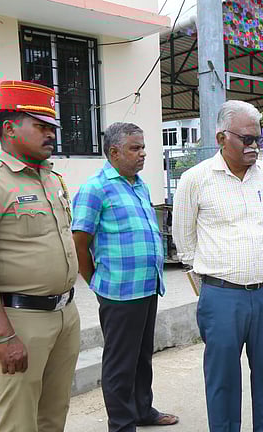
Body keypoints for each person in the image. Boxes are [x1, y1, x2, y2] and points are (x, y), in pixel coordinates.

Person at [0, 80, 80, 432]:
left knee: (54, 413)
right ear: (9, 128)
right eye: (40, 126)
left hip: (64, 314)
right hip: (21, 320)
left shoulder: (51, 178)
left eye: (51, 127)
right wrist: (4, 335)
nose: (50, 134)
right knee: (20, 421)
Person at [171, 100, 263, 431]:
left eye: (258, 140)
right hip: (221, 297)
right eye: (247, 140)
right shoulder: (196, 179)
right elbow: (185, 243)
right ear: (222, 138)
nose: (254, 147)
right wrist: (208, 285)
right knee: (222, 380)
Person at [71, 122, 179, 430]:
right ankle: (121, 424)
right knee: (120, 363)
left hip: (146, 287)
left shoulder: (139, 184)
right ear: (114, 152)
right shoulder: (95, 188)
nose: (143, 153)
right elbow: (80, 242)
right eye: (136, 148)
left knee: (142, 357)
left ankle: (143, 410)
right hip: (118, 292)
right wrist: (94, 281)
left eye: (143, 147)